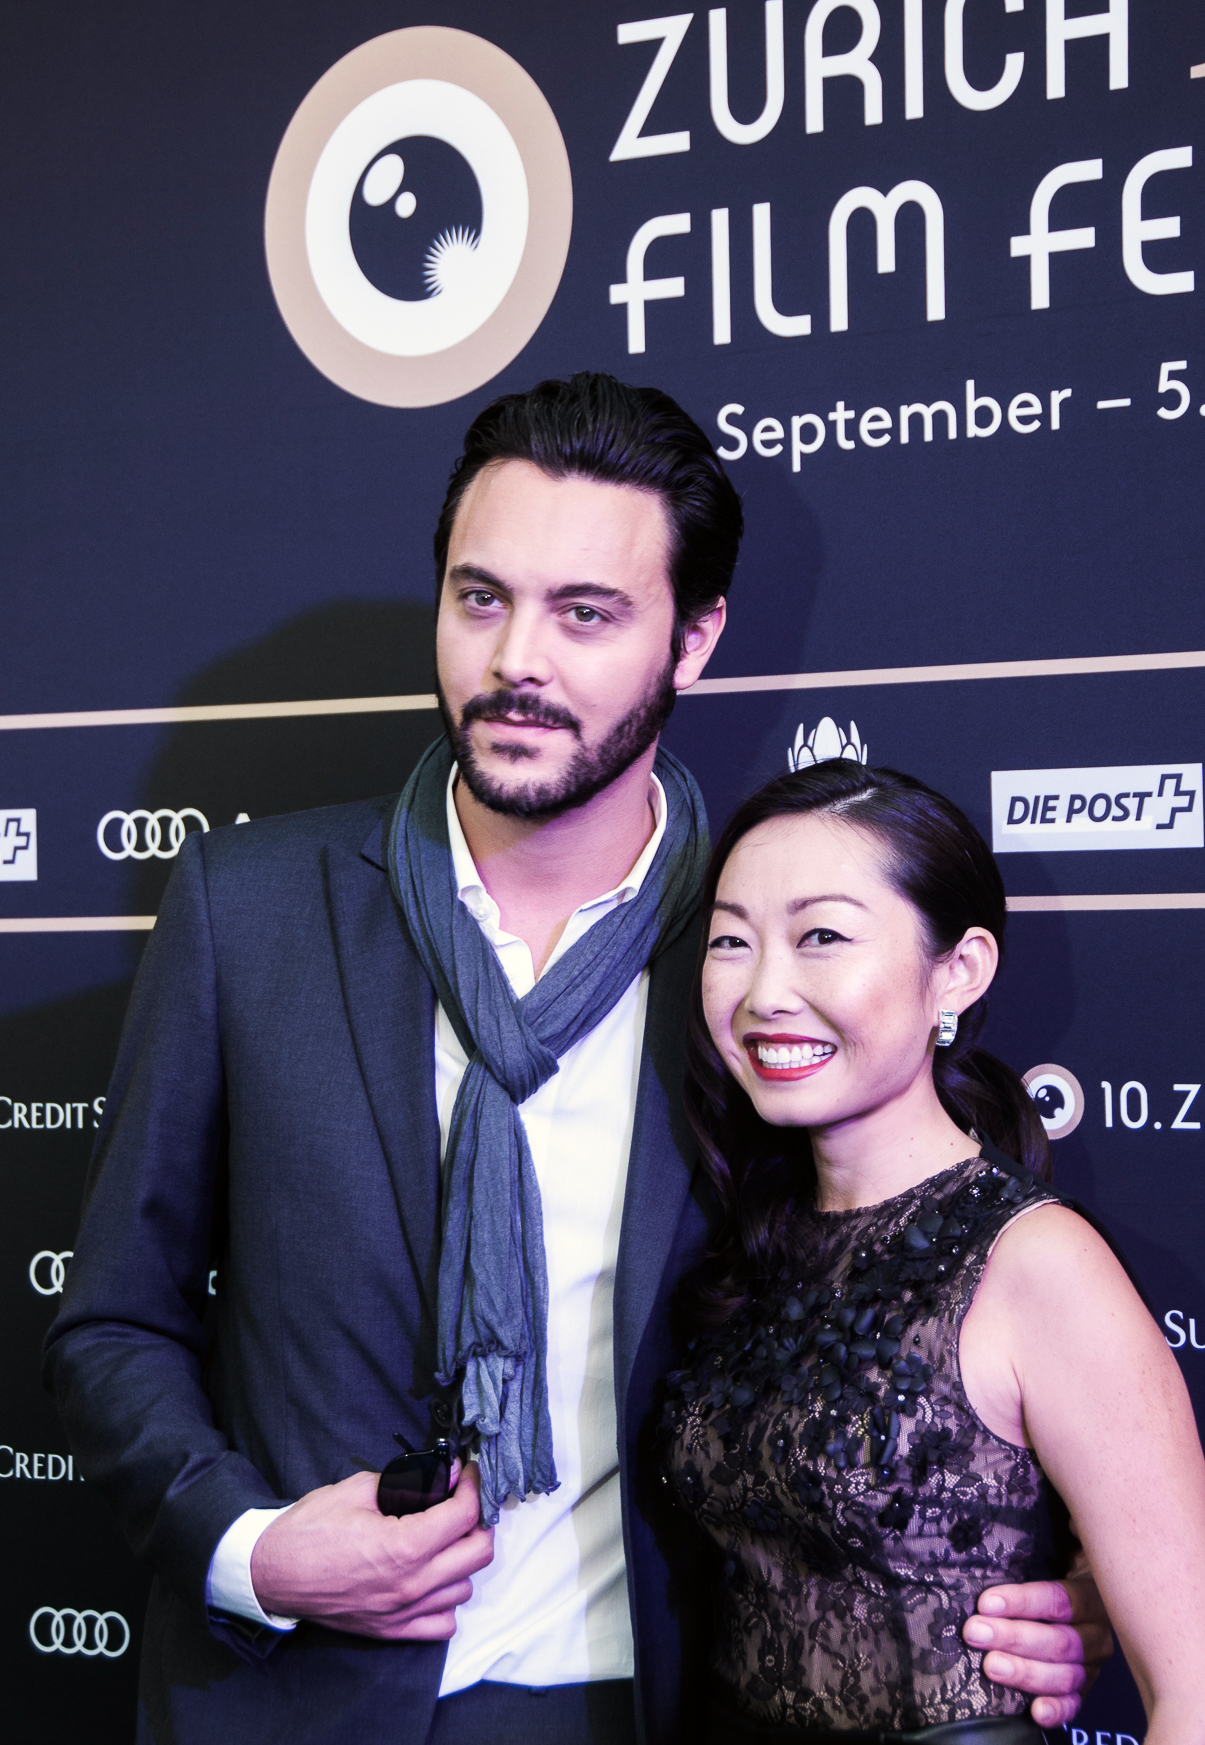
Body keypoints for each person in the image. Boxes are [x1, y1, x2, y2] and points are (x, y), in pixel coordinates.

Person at [46, 375, 1108, 1745]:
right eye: (480, 597)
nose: (513, 663)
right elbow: (113, 1321)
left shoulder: (761, 975)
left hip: (639, 1702)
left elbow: (939, 1287)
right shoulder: (246, 911)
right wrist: (247, 1545)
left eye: (585, 613)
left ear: (697, 636)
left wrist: (1058, 1572)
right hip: (285, 1698)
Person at [664, 759, 1205, 1742]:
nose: (764, 990)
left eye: (820, 936)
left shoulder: (1033, 1262)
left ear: (954, 971)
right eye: (731, 941)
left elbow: (1194, 1687)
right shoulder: (744, 1245)